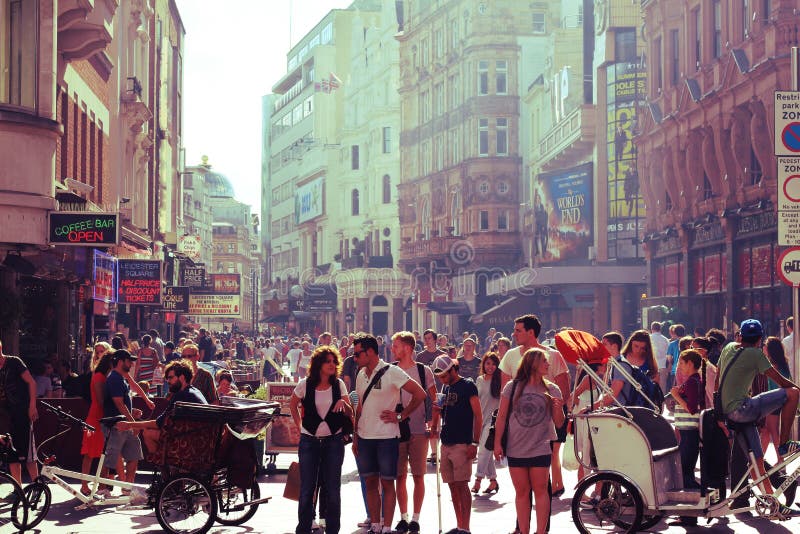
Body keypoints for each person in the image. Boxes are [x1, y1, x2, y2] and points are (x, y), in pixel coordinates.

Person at [718, 319, 800, 514]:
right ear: (759, 339)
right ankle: (784, 444)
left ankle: (773, 505)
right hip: (742, 409)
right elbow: (782, 382)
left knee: (757, 462)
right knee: (794, 392)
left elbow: (718, 381)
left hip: (729, 412)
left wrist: (720, 412)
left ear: (740, 336)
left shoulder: (728, 348)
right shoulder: (755, 354)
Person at [352, 333, 426, 534]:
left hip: (387, 438)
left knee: (387, 483)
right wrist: (355, 436)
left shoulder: (392, 371)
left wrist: (401, 415)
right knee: (370, 483)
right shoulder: (360, 374)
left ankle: (386, 527)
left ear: (369, 352)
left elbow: (420, 394)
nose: (354, 358)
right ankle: (375, 525)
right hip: (365, 437)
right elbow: (359, 408)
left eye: (357, 354)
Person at [499, 314, 570, 498]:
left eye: (518, 331)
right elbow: (504, 394)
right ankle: (524, 518)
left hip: (545, 426)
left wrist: (555, 410)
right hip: (519, 429)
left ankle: (546, 509)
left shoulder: (553, 356)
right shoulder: (510, 356)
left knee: (542, 482)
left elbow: (564, 392)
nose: (513, 334)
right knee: (522, 488)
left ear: (531, 332)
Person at [493, 348, 563, 534]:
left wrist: (557, 408)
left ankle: (540, 532)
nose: (548, 364)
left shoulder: (552, 389)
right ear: (533, 363)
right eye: (544, 361)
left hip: (541, 447)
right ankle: (523, 531)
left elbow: (559, 422)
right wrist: (497, 443)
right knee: (522, 492)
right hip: (515, 447)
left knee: (541, 491)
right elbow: (501, 417)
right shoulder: (512, 387)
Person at [288, 346, 352, 534]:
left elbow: (351, 412)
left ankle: (333, 529)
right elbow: (292, 404)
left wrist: (344, 403)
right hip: (310, 440)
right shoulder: (305, 384)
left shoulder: (339, 384)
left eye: (334, 361)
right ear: (319, 364)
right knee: (307, 487)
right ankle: (304, 527)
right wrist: (300, 426)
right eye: (327, 361)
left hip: (334, 440)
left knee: (332, 487)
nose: (332, 365)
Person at [431, 355, 482, 534]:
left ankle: (465, 528)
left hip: (462, 442)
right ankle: (460, 525)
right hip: (446, 441)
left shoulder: (468, 385)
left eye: (444, 376)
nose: (442, 380)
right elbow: (443, 413)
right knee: (452, 486)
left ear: (453, 369)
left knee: (462, 485)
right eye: (439, 377)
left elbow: (478, 415)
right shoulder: (445, 387)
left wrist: (474, 443)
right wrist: (436, 414)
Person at [391, 331, 436, 534]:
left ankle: (416, 518)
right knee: (399, 476)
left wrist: (434, 424)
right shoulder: (391, 370)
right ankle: (403, 517)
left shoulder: (423, 370)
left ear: (407, 348)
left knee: (418, 475)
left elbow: (434, 399)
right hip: (397, 430)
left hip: (419, 429)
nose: (393, 349)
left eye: (396, 346)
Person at [116, 359, 207, 454]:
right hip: (200, 441)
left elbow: (159, 423)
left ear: (182, 378)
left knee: (148, 433)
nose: (168, 381)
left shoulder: (181, 395)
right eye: (167, 378)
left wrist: (129, 424)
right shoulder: (196, 392)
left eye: (171, 378)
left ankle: (161, 463)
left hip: (188, 443)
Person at [102, 350, 145, 489]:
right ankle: (102, 489)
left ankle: (127, 488)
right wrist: (133, 424)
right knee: (110, 459)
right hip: (116, 425)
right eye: (129, 361)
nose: (131, 364)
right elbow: (119, 404)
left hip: (125, 423)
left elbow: (120, 404)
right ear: (120, 362)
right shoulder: (114, 378)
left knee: (134, 455)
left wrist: (132, 413)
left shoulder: (120, 378)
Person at [0, 340, 39, 484]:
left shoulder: (14, 362)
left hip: (22, 413)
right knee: (11, 453)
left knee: (28, 453)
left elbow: (31, 382)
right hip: (6, 416)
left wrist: (32, 406)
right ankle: (18, 488)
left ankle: (37, 486)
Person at [670, 350, 705, 499]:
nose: (679, 366)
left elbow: (691, 408)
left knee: (685, 464)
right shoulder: (694, 380)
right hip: (689, 430)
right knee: (687, 463)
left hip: (689, 430)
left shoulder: (691, 382)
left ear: (690, 363)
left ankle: (689, 495)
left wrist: (676, 396)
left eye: (682, 363)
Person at [79, 351, 114, 496]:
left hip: (100, 417)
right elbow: (100, 400)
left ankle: (102, 485)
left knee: (102, 453)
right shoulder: (99, 376)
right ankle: (84, 485)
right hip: (95, 418)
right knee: (90, 453)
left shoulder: (102, 375)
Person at [473, 353, 501, 494]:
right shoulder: (479, 380)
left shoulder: (501, 380)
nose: (490, 367)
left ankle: (477, 480)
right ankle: (493, 481)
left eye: (493, 364)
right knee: (487, 451)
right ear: (483, 364)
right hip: (480, 420)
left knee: (483, 450)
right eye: (488, 363)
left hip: (493, 422)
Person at [762, 336, 793, 462]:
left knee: (773, 431)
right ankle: (758, 462)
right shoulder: (782, 364)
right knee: (766, 431)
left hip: (773, 400)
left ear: (770, 349)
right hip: (778, 399)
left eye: (765, 345)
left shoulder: (772, 366)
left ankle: (781, 460)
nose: (763, 347)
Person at [650, 321, 670, 387]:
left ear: (651, 328)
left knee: (651, 387)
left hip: (651, 366)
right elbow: (669, 354)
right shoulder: (666, 340)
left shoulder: (648, 338)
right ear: (660, 329)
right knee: (662, 387)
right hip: (663, 365)